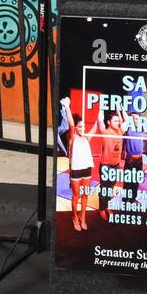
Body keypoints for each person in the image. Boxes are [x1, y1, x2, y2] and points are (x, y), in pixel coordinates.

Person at [61, 98, 95, 231]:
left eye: (83, 126)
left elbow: (95, 127)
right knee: (76, 195)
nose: (83, 128)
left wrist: (100, 117)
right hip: (76, 171)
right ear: (76, 128)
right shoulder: (72, 138)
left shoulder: (85, 138)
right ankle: (75, 217)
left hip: (87, 169)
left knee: (85, 194)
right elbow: (71, 125)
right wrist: (67, 107)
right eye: (80, 126)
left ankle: (83, 217)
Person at [95, 109, 126, 220]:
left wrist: (119, 110)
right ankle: (102, 209)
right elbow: (99, 120)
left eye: (118, 121)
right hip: (105, 165)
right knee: (104, 188)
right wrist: (101, 108)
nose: (118, 122)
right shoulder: (105, 131)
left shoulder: (120, 131)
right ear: (109, 122)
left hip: (115, 165)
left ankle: (107, 206)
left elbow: (126, 121)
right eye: (115, 121)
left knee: (110, 187)